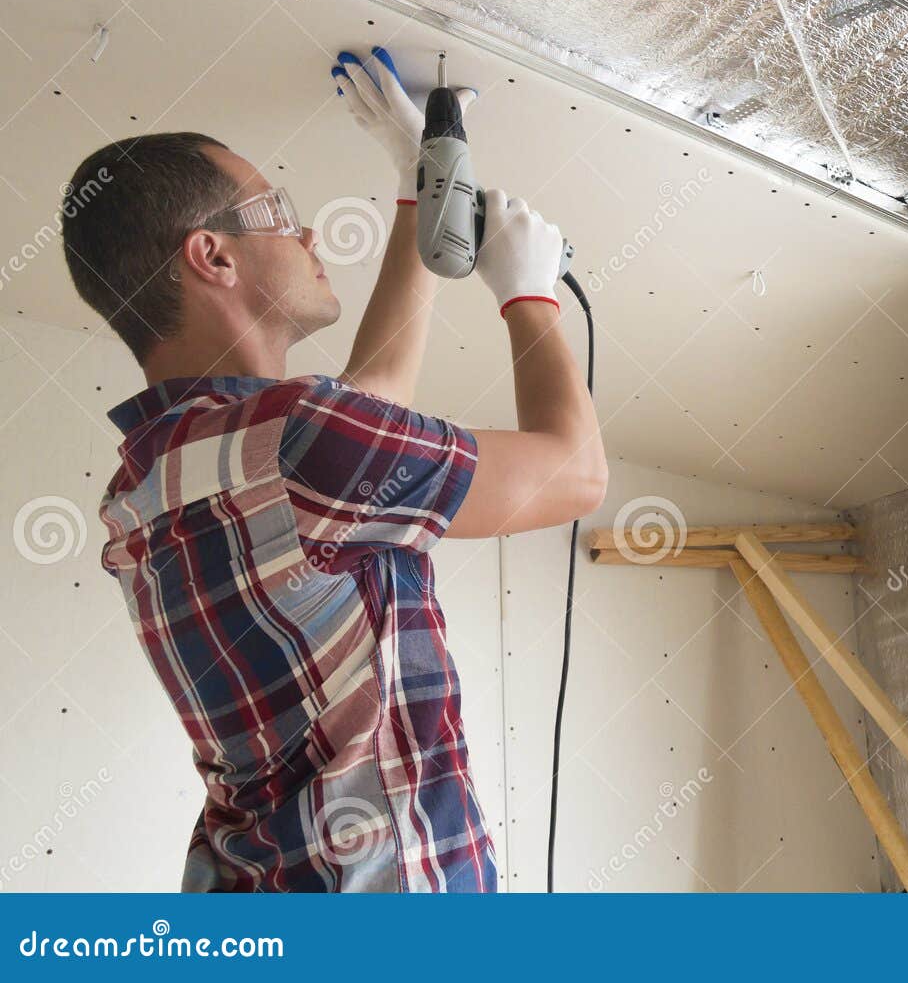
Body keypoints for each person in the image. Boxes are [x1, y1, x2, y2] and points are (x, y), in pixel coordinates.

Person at [59, 47, 606, 891]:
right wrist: (529, 292)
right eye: (275, 211)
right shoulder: (295, 442)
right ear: (213, 257)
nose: (309, 232)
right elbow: (574, 473)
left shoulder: (147, 482)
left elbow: (371, 405)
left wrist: (419, 185)